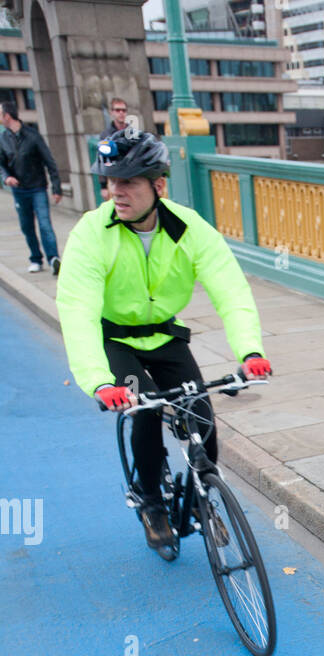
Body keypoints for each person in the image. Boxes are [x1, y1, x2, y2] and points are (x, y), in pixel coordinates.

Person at [56, 130, 272, 558]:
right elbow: (77, 309)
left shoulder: (190, 228)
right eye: (110, 181)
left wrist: (250, 352)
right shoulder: (92, 233)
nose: (116, 191)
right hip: (115, 339)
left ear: (158, 186)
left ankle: (203, 498)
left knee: (202, 416)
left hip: (164, 335)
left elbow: (230, 289)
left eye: (129, 182)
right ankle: (152, 503)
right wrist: (100, 382)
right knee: (148, 411)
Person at [0, 100, 63, 274]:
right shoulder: (3, 139)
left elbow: (49, 162)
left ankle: (53, 259)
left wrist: (56, 188)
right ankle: (36, 258)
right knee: (27, 226)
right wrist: (7, 178)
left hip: (38, 189)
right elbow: (1, 165)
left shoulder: (33, 136)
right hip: (19, 191)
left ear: (7, 116)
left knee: (44, 224)